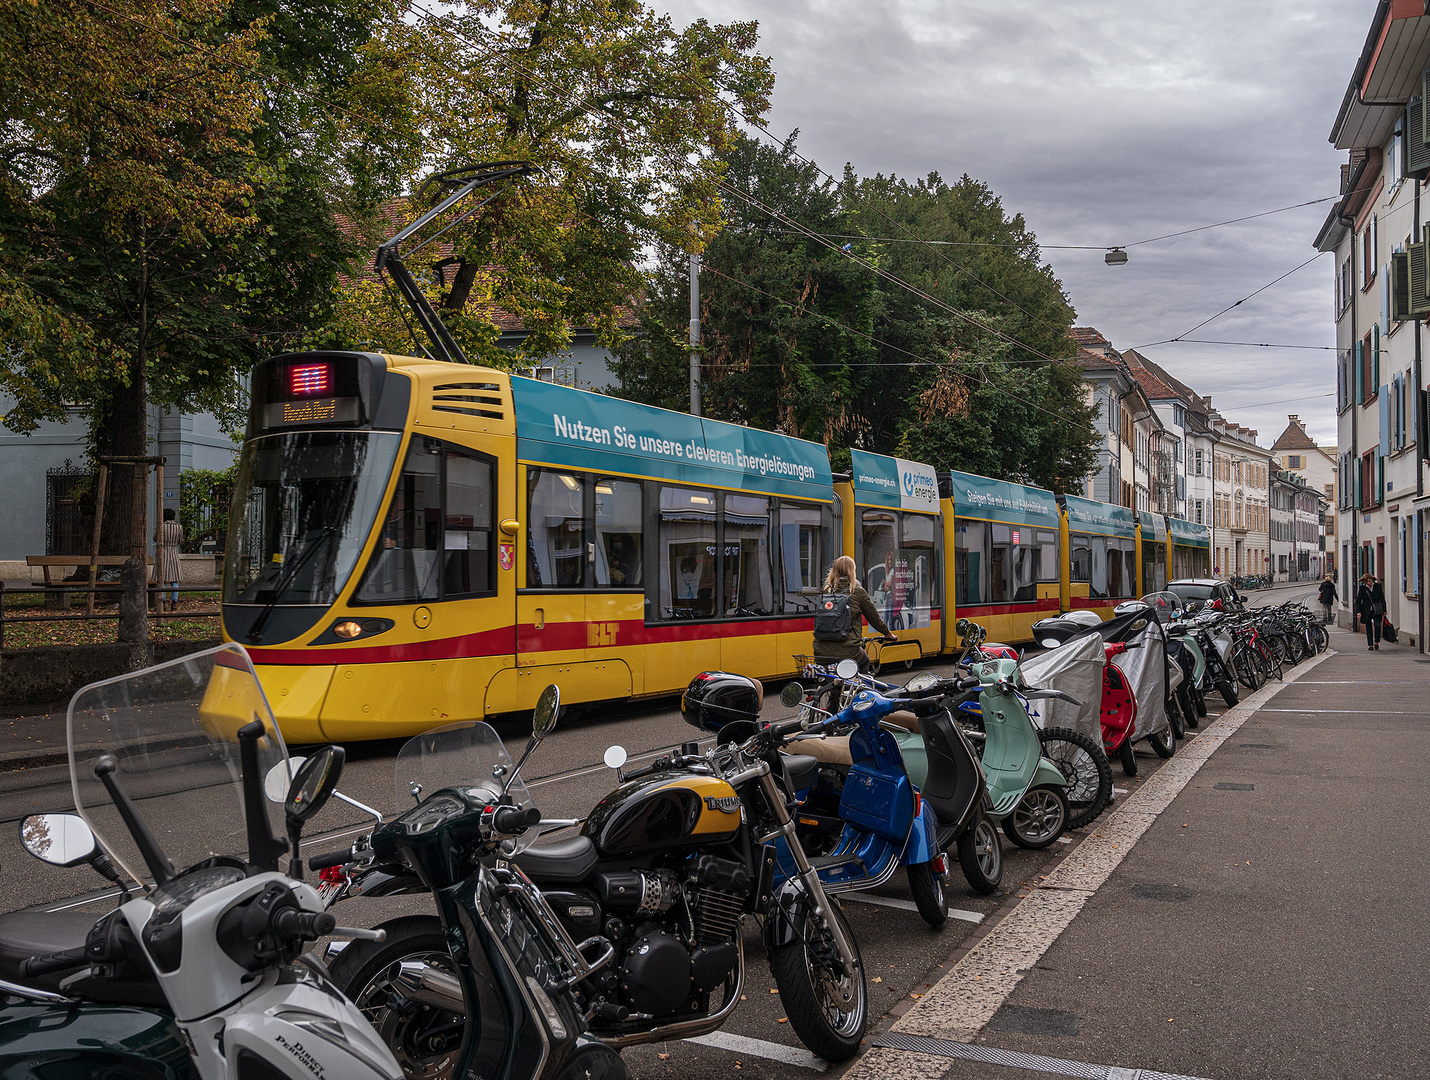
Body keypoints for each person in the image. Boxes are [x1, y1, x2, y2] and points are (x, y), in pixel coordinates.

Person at [815, 555, 896, 674]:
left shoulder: (826, 590)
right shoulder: (857, 591)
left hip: (820, 649)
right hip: (849, 649)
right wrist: (887, 634)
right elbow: (874, 618)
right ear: (852, 571)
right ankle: (860, 690)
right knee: (864, 661)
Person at [154, 508, 183, 612]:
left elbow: (155, 538)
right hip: (174, 554)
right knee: (174, 580)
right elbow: (180, 540)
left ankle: (163, 603)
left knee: (162, 580)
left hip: (162, 553)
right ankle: (174, 603)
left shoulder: (160, 527)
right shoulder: (179, 527)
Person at [1355, 573, 1386, 651]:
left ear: (1373, 580)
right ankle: (1370, 644)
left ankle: (1376, 641)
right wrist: (1358, 612)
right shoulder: (1363, 588)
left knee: (1377, 625)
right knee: (1368, 627)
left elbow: (1382, 599)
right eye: (1367, 582)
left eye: (1370, 581)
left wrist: (1384, 610)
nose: (1368, 583)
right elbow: (1358, 601)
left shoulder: (1378, 587)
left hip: (1377, 609)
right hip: (1366, 609)